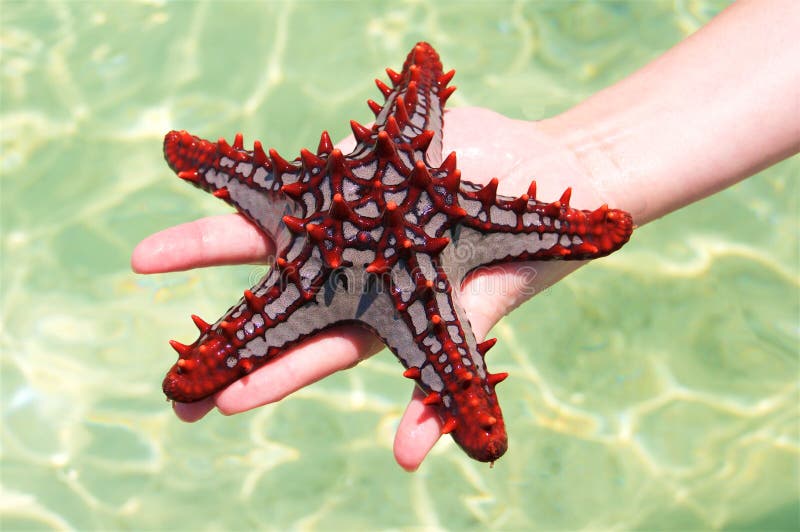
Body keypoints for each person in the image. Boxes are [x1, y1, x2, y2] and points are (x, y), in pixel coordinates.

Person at [131, 0, 800, 471]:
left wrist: (593, 186)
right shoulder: (408, 179)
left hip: (358, 246)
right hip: (407, 249)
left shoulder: (331, 188)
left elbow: (416, 101)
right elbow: (412, 105)